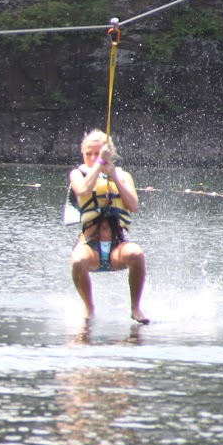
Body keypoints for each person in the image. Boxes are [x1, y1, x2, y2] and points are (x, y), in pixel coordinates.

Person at [67, 129, 148, 323]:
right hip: (90, 246)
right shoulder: (77, 174)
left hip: (116, 247)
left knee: (137, 254)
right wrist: (99, 165)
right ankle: (89, 309)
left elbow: (133, 205)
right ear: (82, 153)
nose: (93, 158)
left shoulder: (123, 175)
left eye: (98, 153)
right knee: (78, 261)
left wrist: (115, 178)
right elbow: (84, 190)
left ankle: (135, 308)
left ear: (109, 152)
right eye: (89, 154)